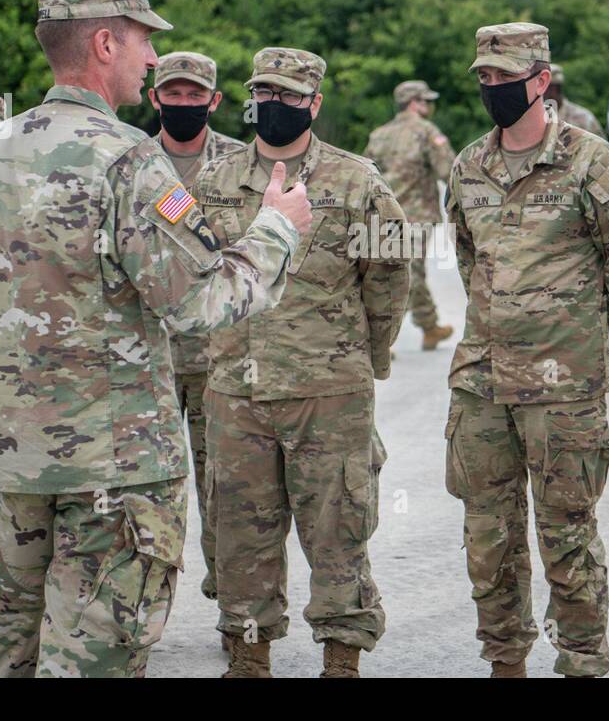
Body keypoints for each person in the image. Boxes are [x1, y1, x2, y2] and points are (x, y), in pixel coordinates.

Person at [0, 0, 311, 678]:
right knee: (92, 660)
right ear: (104, 43)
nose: (153, 58)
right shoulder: (131, 160)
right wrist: (277, 230)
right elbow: (200, 302)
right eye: (141, 40)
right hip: (115, 477)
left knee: (10, 652)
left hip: (13, 465)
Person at [444, 23, 609, 677]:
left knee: (567, 538)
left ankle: (582, 661)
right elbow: (469, 261)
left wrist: (585, 344)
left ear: (541, 81)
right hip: (482, 384)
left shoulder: (595, 164)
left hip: (564, 390)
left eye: (506, 79)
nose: (494, 90)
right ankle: (506, 660)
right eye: (485, 79)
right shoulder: (468, 167)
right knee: (489, 538)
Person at [195, 47, 409, 677]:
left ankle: (341, 659)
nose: (275, 106)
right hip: (237, 390)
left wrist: (366, 356)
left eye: (290, 97)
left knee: (338, 528)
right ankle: (248, 656)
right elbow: (190, 272)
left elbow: (388, 276)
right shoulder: (213, 180)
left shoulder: (356, 181)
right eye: (264, 93)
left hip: (330, 392)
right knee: (240, 532)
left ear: (315, 104)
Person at [147, 50, 245, 601]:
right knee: (150, 487)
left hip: (217, 353)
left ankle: (235, 603)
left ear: (214, 100)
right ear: (155, 96)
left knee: (225, 486)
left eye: (194, 94)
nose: (183, 103)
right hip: (148, 354)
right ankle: (143, 607)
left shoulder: (239, 164)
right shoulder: (132, 162)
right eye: (173, 93)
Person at [364, 79, 456, 350]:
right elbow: (447, 171)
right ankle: (379, 340)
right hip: (416, 217)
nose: (429, 106)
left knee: (408, 271)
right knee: (407, 275)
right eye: (426, 101)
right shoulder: (426, 131)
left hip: (384, 215)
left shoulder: (379, 134)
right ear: (415, 103)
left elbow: (367, 175)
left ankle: (430, 327)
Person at [545, 63, 605, 137]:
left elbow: (600, 146)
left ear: (553, 89)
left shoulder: (583, 117)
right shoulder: (534, 117)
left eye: (544, 87)